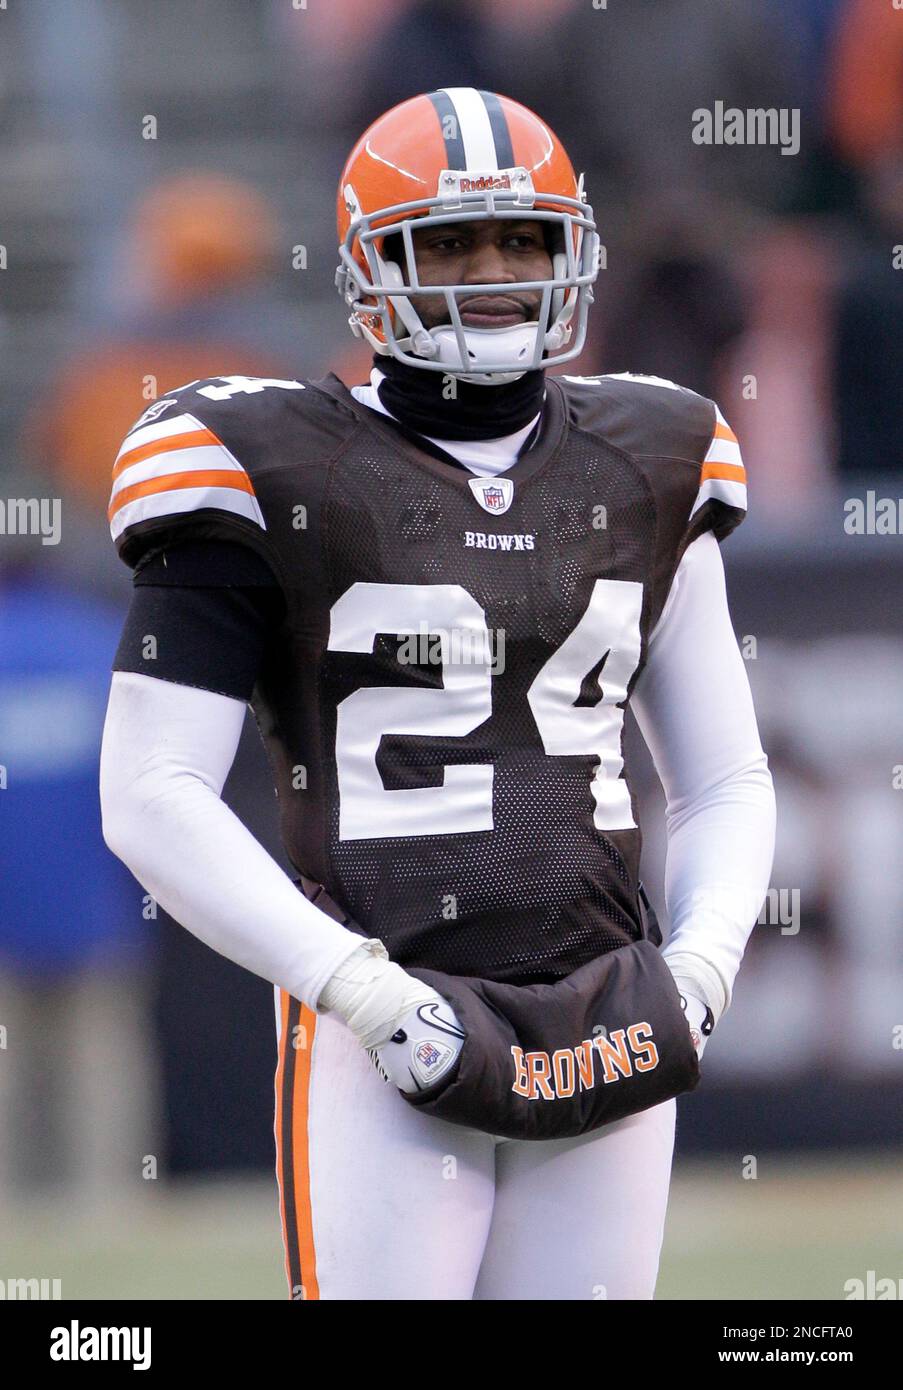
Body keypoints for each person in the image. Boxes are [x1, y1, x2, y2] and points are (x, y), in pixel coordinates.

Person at [100, 88, 775, 1300]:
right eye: (448, 241)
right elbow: (149, 792)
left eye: (522, 239)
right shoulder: (263, 456)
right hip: (380, 1022)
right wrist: (352, 986)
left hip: (603, 1005)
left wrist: (706, 964)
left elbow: (725, 775)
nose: (493, 272)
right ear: (372, 266)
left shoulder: (653, 453)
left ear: (572, 250)